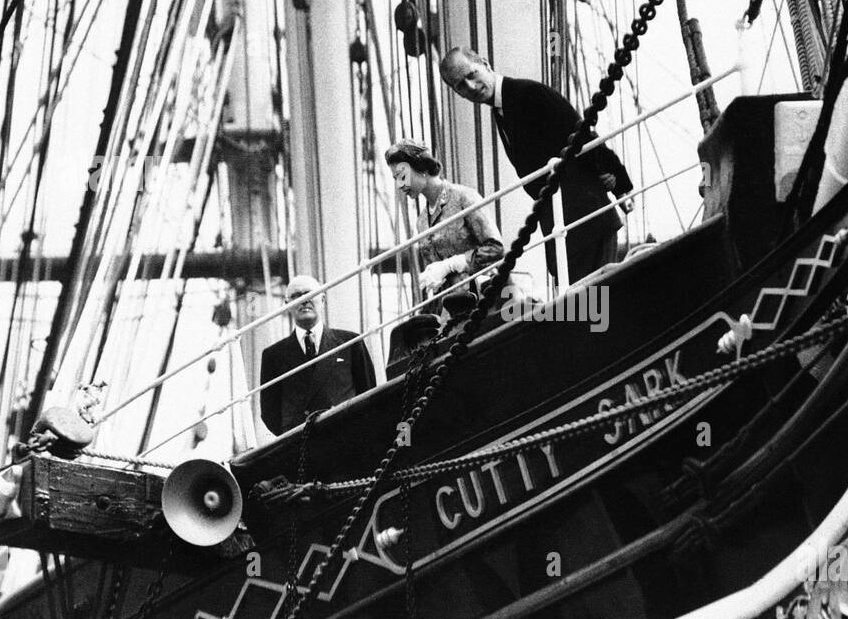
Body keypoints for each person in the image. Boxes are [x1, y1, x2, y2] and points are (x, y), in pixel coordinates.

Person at [439, 46, 634, 284]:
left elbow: (579, 133)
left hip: (584, 219)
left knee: (593, 307)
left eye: (471, 75)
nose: (470, 86)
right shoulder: (503, 109)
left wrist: (618, 180)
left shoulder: (528, 94)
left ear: (485, 64)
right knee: (580, 308)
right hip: (562, 223)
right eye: (460, 85)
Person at [385, 137, 505, 298]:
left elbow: (496, 250)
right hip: (449, 308)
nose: (400, 185)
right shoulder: (422, 222)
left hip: (484, 298)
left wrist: (452, 264)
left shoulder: (464, 197)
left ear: (421, 168)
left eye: (402, 175)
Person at [259, 274, 377, 435]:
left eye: (309, 293)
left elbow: (369, 392)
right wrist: (291, 436)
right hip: (300, 442)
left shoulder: (350, 343)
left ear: (322, 300)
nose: (304, 299)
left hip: (344, 434)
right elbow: (269, 411)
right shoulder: (273, 355)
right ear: (287, 305)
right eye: (296, 296)